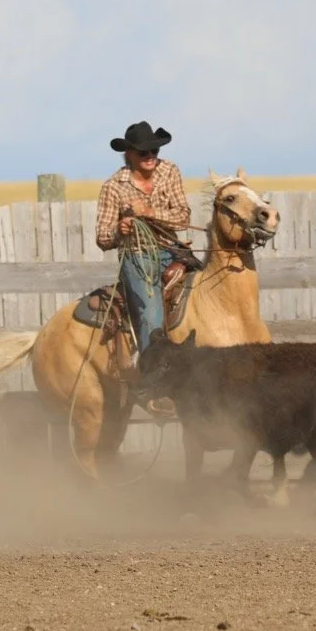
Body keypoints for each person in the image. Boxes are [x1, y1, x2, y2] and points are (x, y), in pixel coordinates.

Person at [95, 120, 194, 414]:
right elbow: (102, 238)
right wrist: (119, 230)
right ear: (129, 154)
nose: (151, 156)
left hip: (173, 250)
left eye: (154, 150)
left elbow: (183, 217)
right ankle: (154, 388)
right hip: (137, 256)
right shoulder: (113, 187)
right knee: (151, 315)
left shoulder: (170, 171)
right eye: (143, 152)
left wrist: (149, 212)